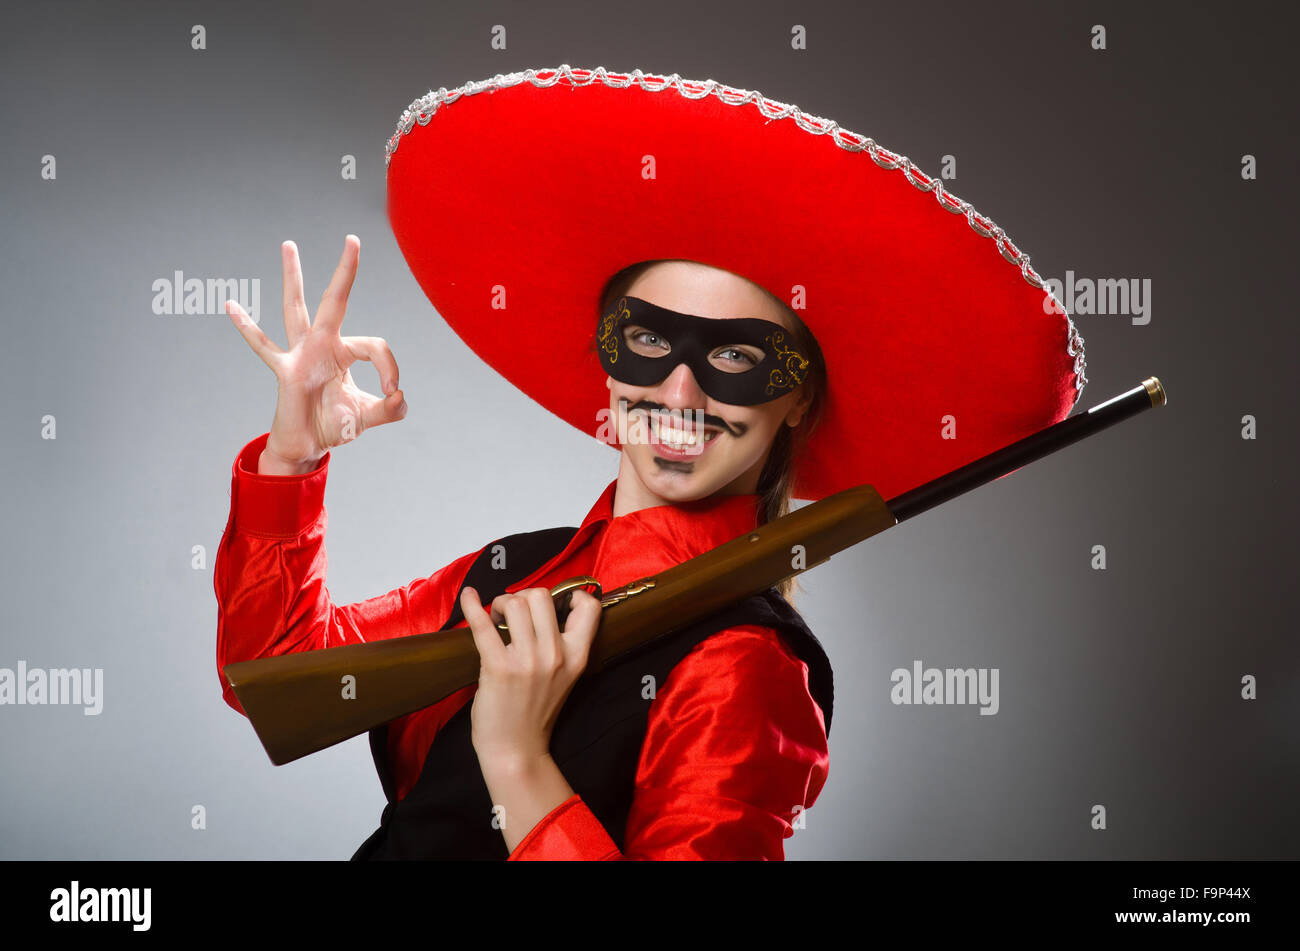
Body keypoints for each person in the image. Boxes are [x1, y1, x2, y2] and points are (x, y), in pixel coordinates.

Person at [215, 64, 1086, 861]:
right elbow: (276, 684)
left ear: (797, 403)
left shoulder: (747, 665)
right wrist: (293, 454)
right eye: (646, 340)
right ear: (607, 361)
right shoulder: (511, 571)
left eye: (735, 359)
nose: (677, 391)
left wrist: (518, 763)